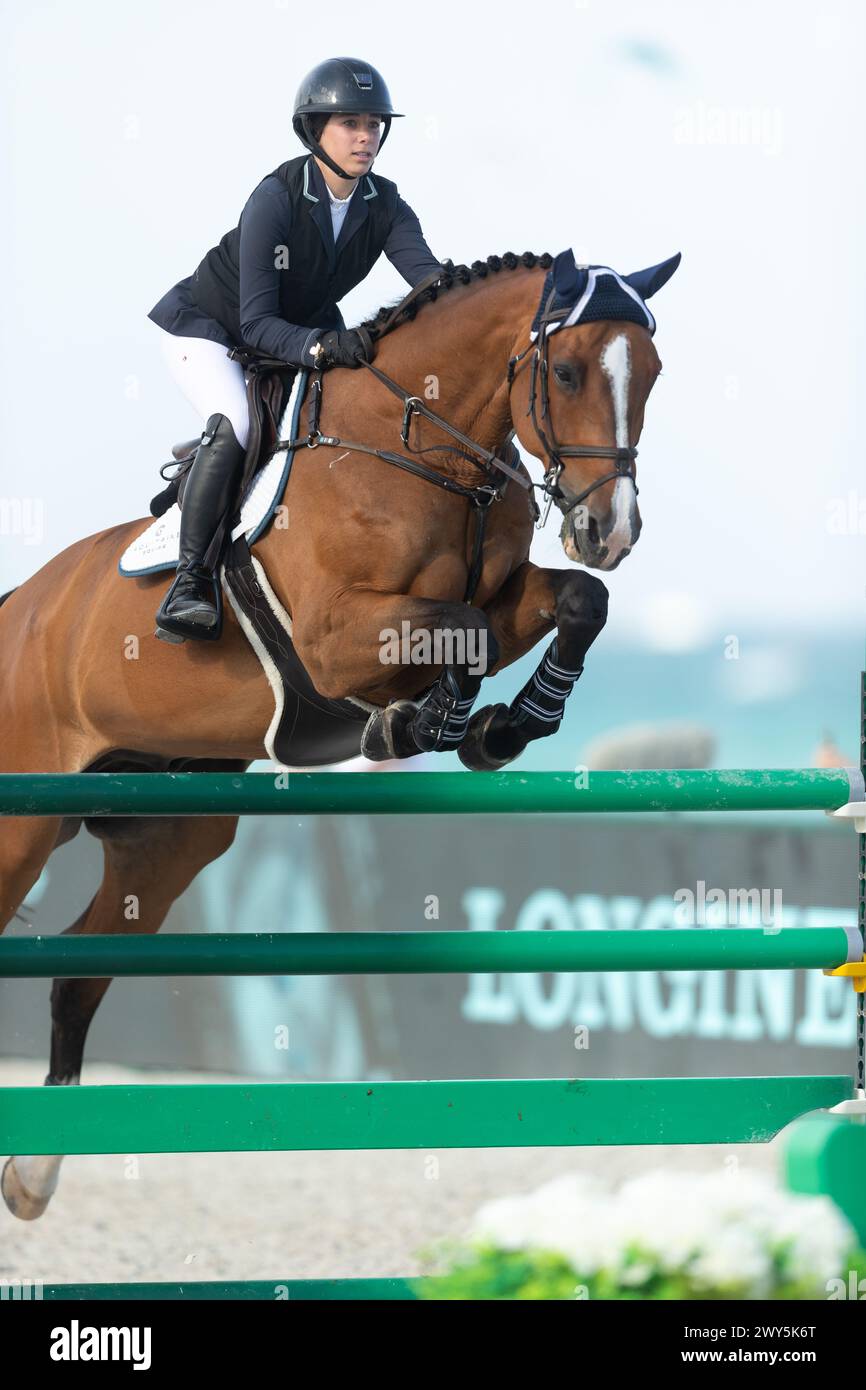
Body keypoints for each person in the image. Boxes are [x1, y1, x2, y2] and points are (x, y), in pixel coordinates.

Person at [148, 56, 443, 642]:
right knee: (235, 421)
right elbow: (256, 324)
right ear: (315, 131)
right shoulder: (275, 199)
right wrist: (325, 343)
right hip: (211, 330)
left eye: (375, 125)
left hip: (293, 334)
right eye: (350, 124)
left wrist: (489, 300)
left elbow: (432, 284)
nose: (366, 137)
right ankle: (190, 583)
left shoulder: (383, 205)